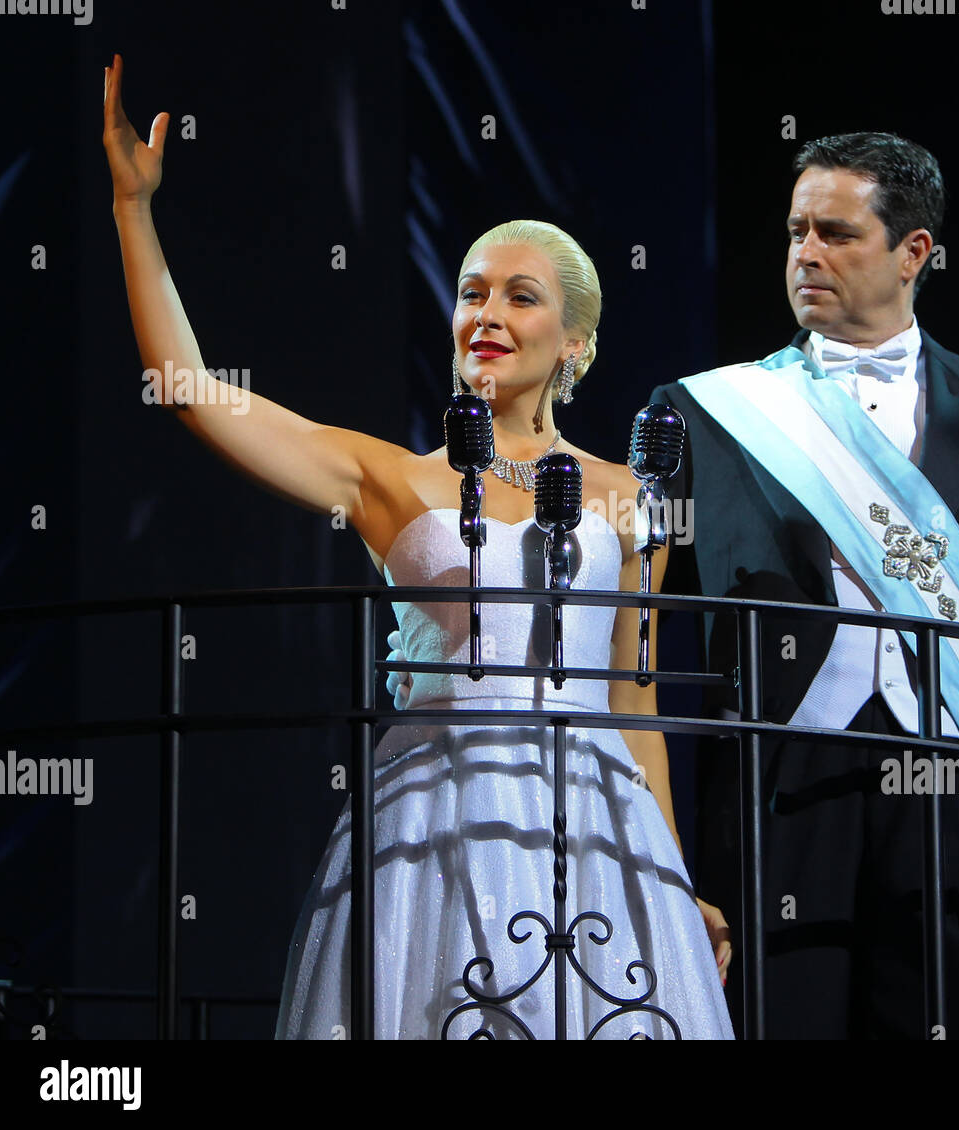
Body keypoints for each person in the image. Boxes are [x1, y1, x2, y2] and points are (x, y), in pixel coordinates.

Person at [102, 53, 732, 1039]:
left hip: (600, 827)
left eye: (520, 297)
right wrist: (134, 208)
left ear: (575, 342)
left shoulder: (627, 498)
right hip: (432, 815)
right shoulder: (389, 477)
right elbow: (186, 388)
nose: (485, 314)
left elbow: (631, 702)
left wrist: (677, 879)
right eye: (472, 292)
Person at [651, 131, 959, 1039]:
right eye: (794, 232)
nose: (805, 253)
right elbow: (637, 641)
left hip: (956, 799)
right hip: (774, 799)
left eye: (836, 234)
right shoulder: (708, 412)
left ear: (914, 252)